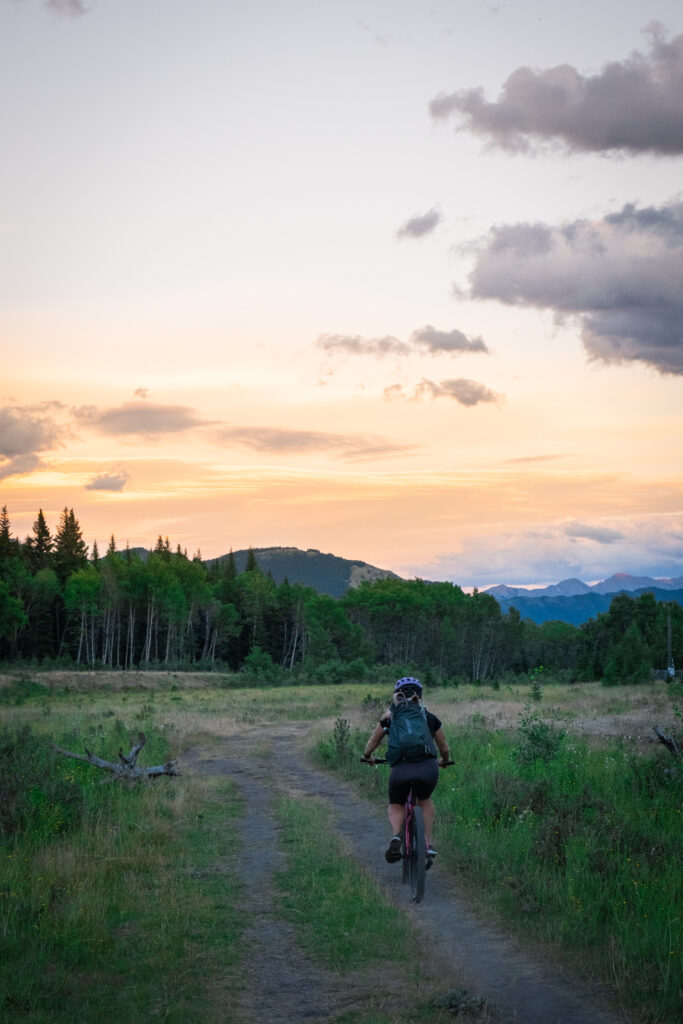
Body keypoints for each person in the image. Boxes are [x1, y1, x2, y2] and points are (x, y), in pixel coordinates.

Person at [361, 676, 450, 865]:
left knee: (396, 802)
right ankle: (426, 843)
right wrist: (444, 760)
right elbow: (444, 747)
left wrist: (367, 756)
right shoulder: (428, 717)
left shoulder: (389, 718)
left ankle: (396, 836)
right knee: (424, 799)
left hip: (400, 770)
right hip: (428, 769)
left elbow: (373, 743)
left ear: (397, 695)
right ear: (420, 696)